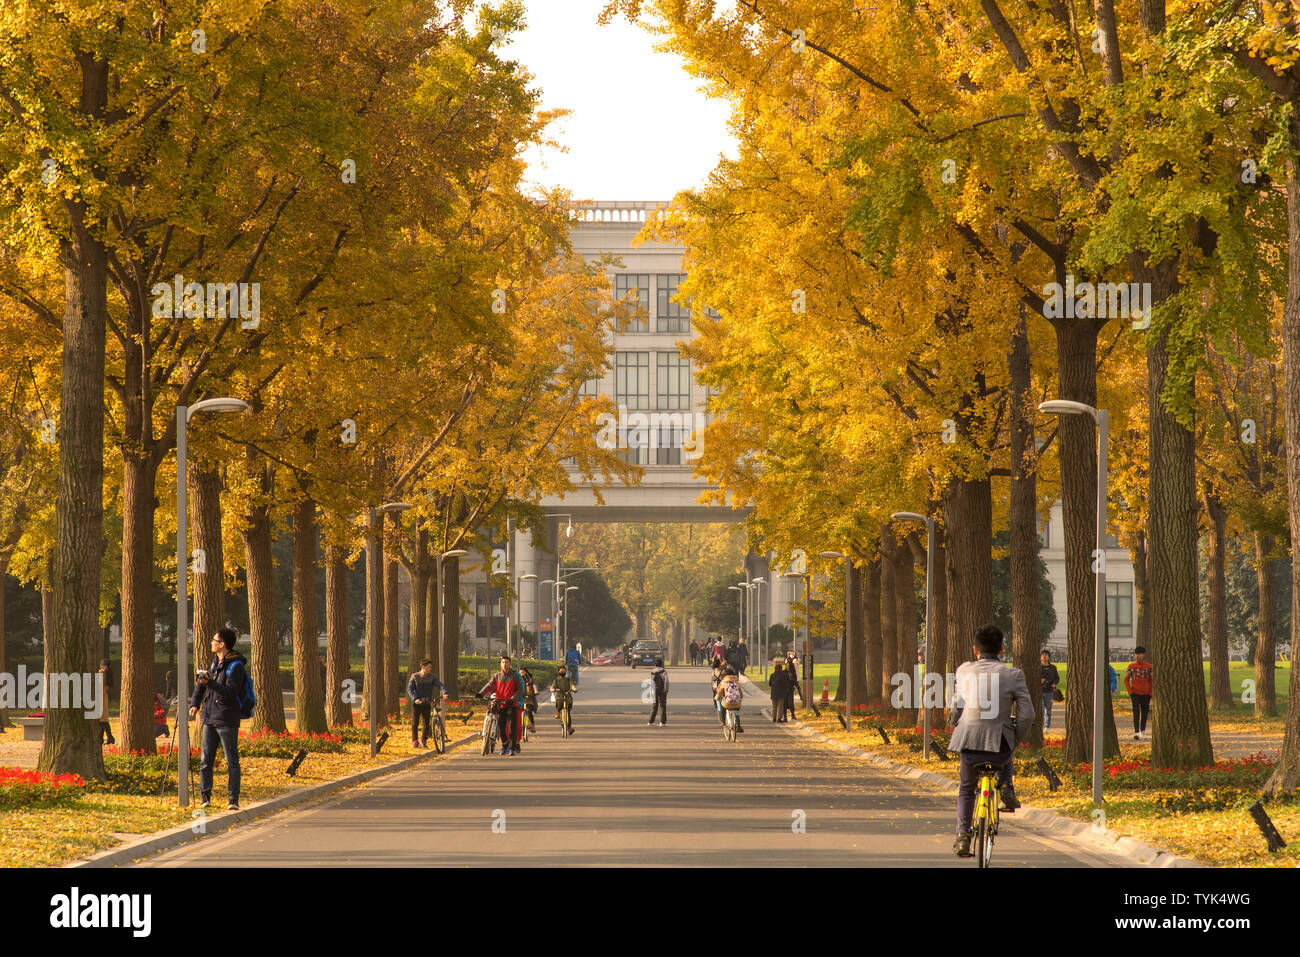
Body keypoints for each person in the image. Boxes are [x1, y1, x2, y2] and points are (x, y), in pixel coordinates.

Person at [949, 624, 1034, 858]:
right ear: (1002, 649)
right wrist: (1017, 738)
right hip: (1000, 745)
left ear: (975, 650)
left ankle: (963, 837)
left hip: (969, 740)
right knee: (1007, 745)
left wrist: (954, 724)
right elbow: (1027, 715)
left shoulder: (964, 670)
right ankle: (1006, 786)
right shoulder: (1013, 674)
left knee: (966, 789)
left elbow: (956, 707)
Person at [189, 627, 249, 810]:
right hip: (209, 717)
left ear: (222, 644)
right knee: (206, 760)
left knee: (232, 760)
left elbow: (231, 693)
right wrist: (195, 703)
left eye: (214, 640)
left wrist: (211, 683)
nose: (212, 643)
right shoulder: (215, 663)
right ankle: (205, 797)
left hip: (226, 719)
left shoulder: (236, 666)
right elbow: (202, 685)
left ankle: (233, 800)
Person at [477, 656, 524, 755]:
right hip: (500, 705)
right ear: (500, 664)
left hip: (511, 704)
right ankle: (504, 746)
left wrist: (512, 699)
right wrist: (481, 693)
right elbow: (489, 685)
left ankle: (511, 748)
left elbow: (520, 690)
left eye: (507, 662)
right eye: (503, 662)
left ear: (510, 664)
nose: (505, 664)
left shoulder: (515, 675)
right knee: (501, 727)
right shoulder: (497, 676)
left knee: (512, 728)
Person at [407, 658, 447, 749]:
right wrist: (415, 698)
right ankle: (415, 740)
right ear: (423, 667)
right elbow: (409, 689)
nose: (430, 669)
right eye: (428, 667)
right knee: (415, 723)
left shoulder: (432, 677)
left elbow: (440, 685)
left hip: (427, 702)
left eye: (430, 667)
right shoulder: (414, 676)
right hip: (417, 703)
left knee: (426, 723)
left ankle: (424, 741)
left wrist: (445, 692)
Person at [1124, 647, 1153, 740]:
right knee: (1136, 712)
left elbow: (1152, 681)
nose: (1138, 656)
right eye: (1136, 654)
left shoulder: (1148, 667)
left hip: (1146, 693)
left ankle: (1143, 730)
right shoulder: (1131, 666)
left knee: (1144, 712)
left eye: (1140, 654)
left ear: (1143, 655)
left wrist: (1150, 693)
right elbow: (1126, 679)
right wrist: (1130, 692)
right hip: (1135, 693)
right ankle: (1136, 731)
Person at [715, 666, 744, 733]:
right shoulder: (737, 682)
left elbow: (719, 693)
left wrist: (717, 698)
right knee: (736, 711)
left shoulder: (723, 682)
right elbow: (741, 694)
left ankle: (724, 723)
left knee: (722, 708)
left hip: (727, 703)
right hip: (737, 703)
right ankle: (738, 725)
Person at [1039, 651, 1060, 731]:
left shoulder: (1053, 668)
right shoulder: (1038, 668)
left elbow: (1057, 678)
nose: (1044, 657)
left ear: (1049, 657)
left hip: (1049, 692)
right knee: (1041, 710)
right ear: (1040, 657)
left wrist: (1054, 683)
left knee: (1048, 710)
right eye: (1043, 655)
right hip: (1040, 691)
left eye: (1046, 655)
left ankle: (1047, 727)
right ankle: (1041, 726)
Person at [551, 665, 576, 733]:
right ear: (558, 672)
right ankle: (557, 712)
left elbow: (572, 685)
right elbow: (552, 687)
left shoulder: (568, 679)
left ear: (566, 671)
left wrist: (574, 689)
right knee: (559, 703)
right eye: (561, 671)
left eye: (563, 670)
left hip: (568, 697)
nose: (562, 672)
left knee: (568, 713)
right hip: (559, 696)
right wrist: (553, 689)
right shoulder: (556, 680)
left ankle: (569, 727)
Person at [648, 656, 670, 726]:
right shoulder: (664, 671)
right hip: (662, 690)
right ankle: (662, 722)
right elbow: (666, 681)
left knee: (654, 705)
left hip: (654, 690)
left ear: (655, 664)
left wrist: (651, 691)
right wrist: (666, 689)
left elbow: (651, 682)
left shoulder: (652, 671)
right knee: (663, 706)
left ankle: (651, 721)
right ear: (661, 664)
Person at [98, 659, 115, 745]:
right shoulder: (108, 673)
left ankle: (110, 737)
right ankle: (101, 738)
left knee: (103, 719)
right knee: (102, 718)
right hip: (104, 695)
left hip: (100, 696)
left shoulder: (102, 673)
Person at [519, 667, 540, 734]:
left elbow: (534, 685)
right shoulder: (517, 680)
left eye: (523, 672)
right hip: (519, 698)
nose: (522, 674)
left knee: (529, 711)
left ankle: (532, 725)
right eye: (520, 673)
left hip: (529, 698)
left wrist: (536, 691)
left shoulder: (530, 680)